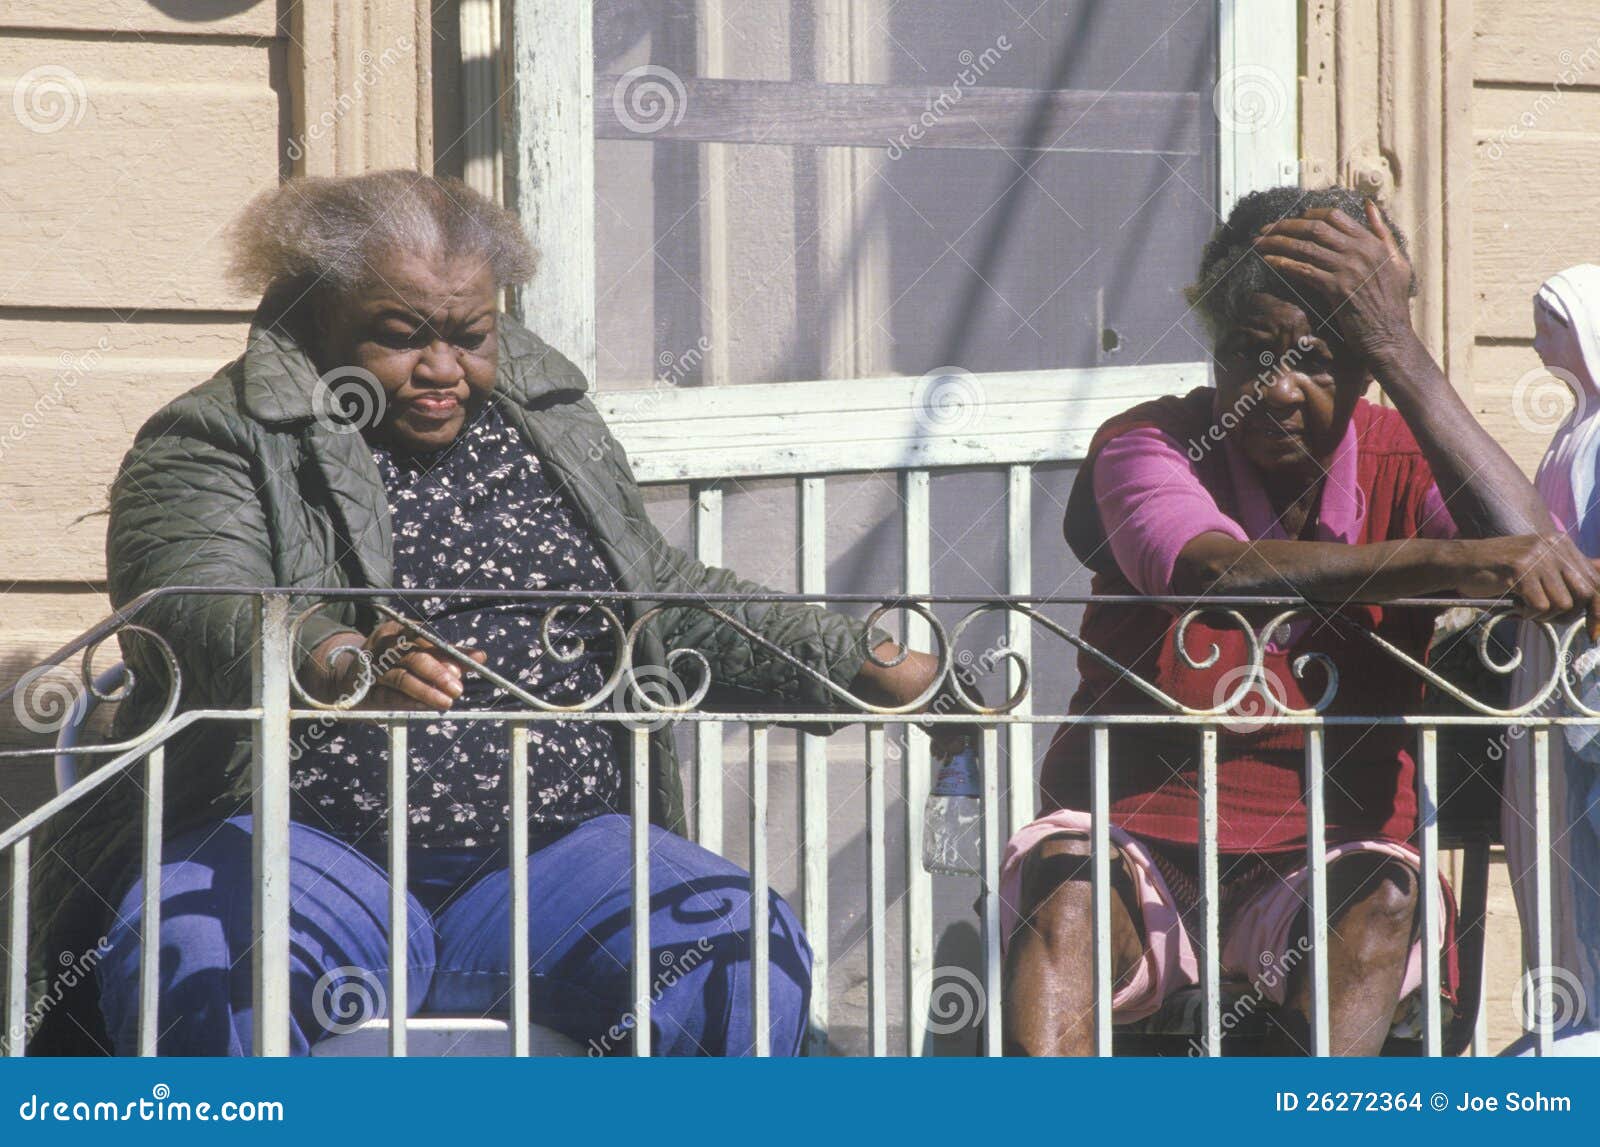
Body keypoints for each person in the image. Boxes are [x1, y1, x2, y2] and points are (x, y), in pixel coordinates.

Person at [29, 171, 955, 1056]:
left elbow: (660, 597)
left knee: (736, 952)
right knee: (204, 957)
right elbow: (199, 600)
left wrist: (860, 660)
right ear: (319, 310)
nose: (443, 369)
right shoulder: (216, 434)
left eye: (470, 336)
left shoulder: (550, 423)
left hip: (556, 857)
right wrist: (335, 658)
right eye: (400, 336)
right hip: (302, 843)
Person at [1001, 185, 1600, 1056]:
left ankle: (1313, 1115)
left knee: (1381, 900)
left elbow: (1534, 554)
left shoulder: (1400, 450)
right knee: (1068, 892)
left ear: (1364, 367)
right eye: (1250, 355)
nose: (1275, 390)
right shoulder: (1151, 442)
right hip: (1137, 846)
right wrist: (1455, 563)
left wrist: (1400, 348)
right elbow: (1216, 572)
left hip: (1328, 858)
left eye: (1318, 359)